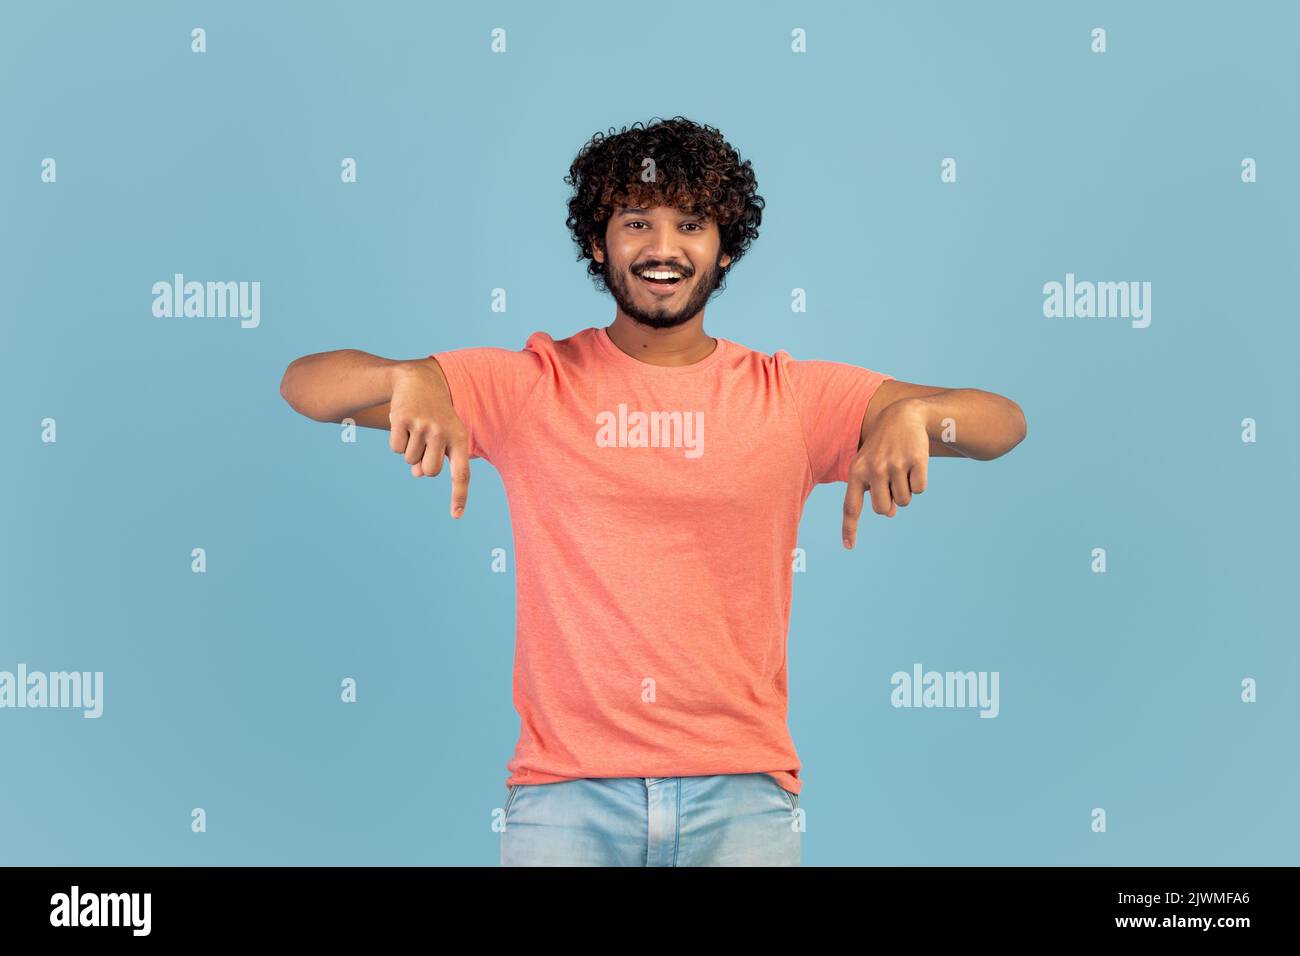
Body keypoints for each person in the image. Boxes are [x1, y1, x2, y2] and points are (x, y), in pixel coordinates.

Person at [280, 116, 1028, 866]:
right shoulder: (532, 385)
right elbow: (305, 385)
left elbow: (1002, 424)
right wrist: (401, 377)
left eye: (691, 224)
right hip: (564, 797)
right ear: (597, 244)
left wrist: (918, 414)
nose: (662, 247)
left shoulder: (790, 398)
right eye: (636, 221)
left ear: (725, 247)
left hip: (743, 796)